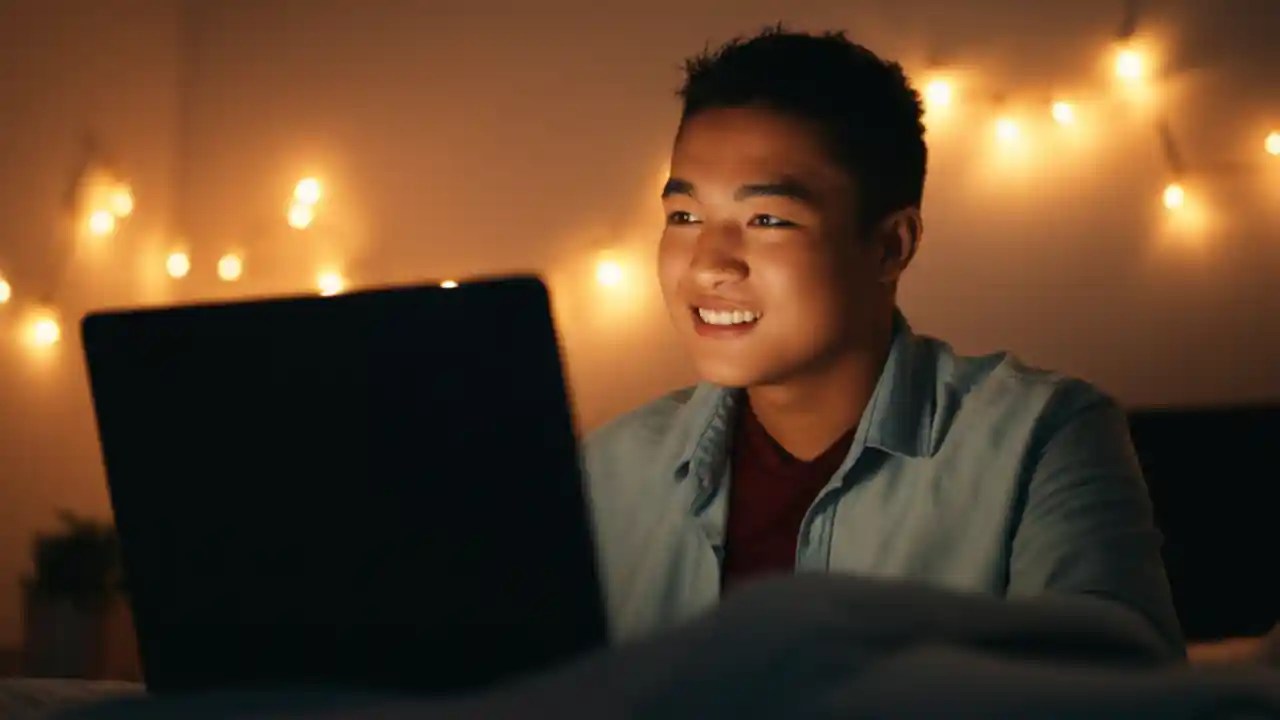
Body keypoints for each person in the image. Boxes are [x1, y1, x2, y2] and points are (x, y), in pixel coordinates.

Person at [581, 26, 1184, 655]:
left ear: (891, 245)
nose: (709, 264)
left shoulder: (1041, 437)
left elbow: (1115, 689)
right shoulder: (613, 469)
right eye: (685, 216)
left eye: (767, 219)